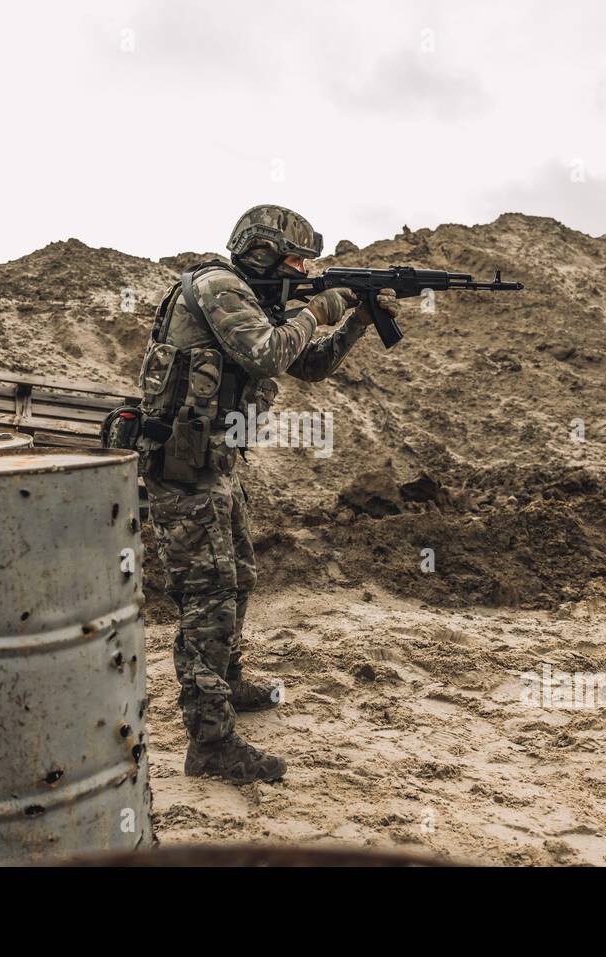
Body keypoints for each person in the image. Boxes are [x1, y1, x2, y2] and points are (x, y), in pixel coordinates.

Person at [135, 204, 399, 784]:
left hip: (214, 464)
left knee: (238, 579)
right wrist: (320, 307)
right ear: (262, 252)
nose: (304, 271)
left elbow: (310, 365)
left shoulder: (255, 303)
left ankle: (227, 684)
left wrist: (358, 319)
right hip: (184, 470)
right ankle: (210, 744)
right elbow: (268, 354)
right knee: (208, 600)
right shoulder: (219, 287)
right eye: (296, 260)